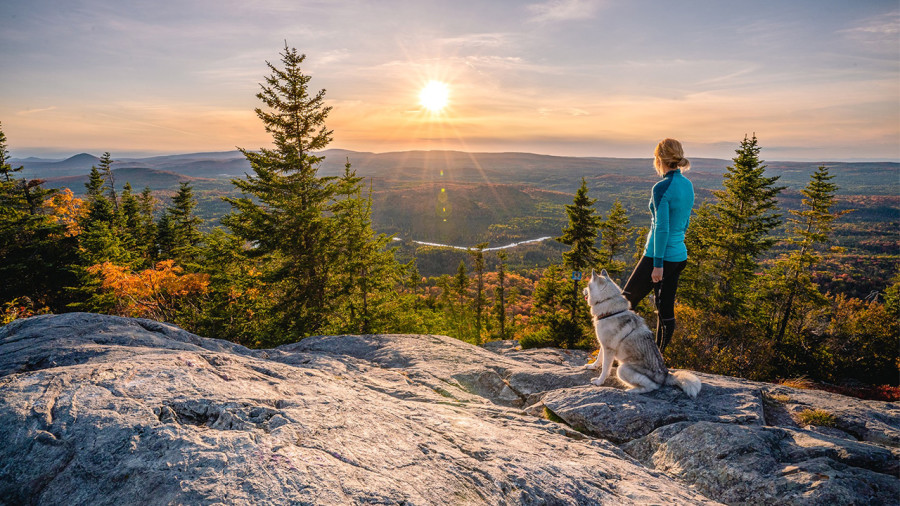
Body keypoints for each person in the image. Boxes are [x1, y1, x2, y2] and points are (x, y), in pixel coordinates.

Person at [621, 138, 695, 355]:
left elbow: (662, 228)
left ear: (659, 158)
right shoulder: (687, 185)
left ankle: (617, 354)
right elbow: (685, 221)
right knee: (665, 310)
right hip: (679, 255)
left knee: (624, 303)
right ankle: (658, 358)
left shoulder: (661, 187)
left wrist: (658, 264)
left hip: (658, 256)